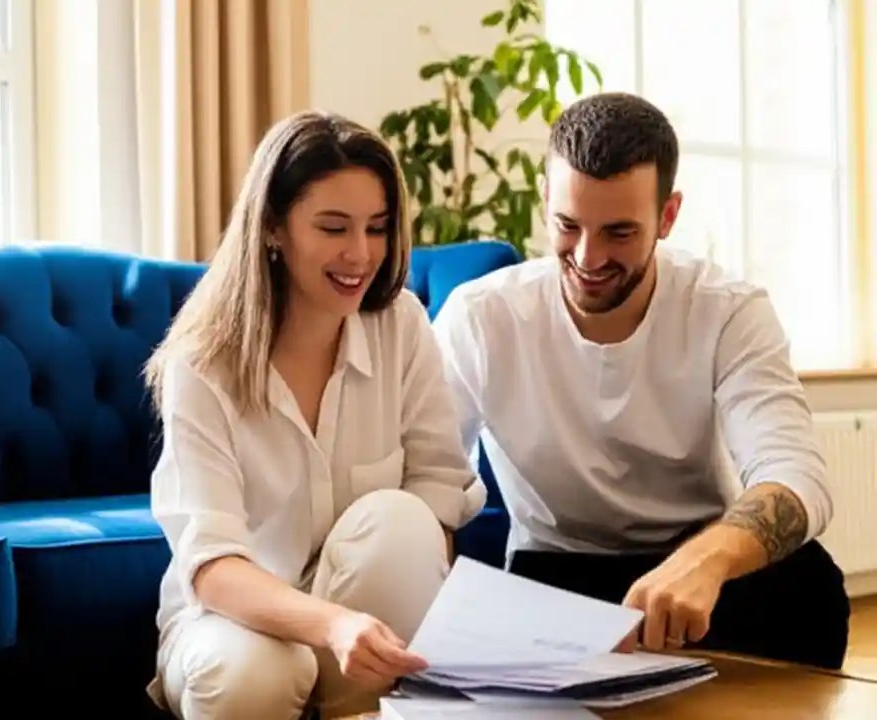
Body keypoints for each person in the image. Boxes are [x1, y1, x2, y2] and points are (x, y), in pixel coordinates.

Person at [430, 91, 851, 670]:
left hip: (697, 568)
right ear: (545, 197)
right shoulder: (480, 316)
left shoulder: (727, 310)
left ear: (668, 216)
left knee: (812, 587)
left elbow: (796, 477)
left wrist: (704, 561)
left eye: (619, 233)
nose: (587, 256)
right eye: (568, 225)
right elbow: (428, 475)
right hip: (557, 575)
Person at [142, 110, 487, 719]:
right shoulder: (202, 363)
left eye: (376, 228)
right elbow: (212, 565)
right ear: (273, 227)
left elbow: (438, 490)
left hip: (365, 624)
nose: (360, 255)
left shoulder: (401, 325)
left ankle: (360, 712)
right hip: (233, 623)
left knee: (403, 521)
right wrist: (330, 624)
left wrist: (407, 617)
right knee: (254, 674)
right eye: (333, 228)